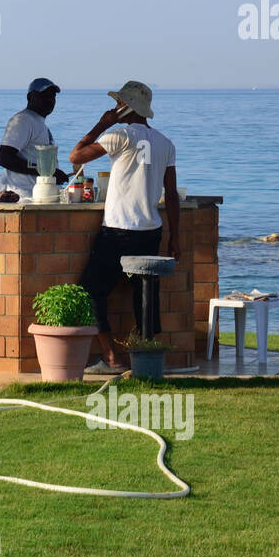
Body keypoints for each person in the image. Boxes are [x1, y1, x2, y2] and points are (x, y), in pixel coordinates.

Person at [68, 81, 180, 372]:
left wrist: (101, 124)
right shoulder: (165, 143)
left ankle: (112, 357)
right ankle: (148, 358)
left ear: (126, 107)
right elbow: (171, 195)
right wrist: (175, 237)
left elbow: (75, 157)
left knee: (90, 291)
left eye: (118, 103)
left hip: (118, 230)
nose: (114, 108)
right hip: (151, 231)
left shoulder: (118, 135)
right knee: (145, 296)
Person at [0, 78, 71, 196]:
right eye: (44, 95)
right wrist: (48, 173)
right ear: (30, 97)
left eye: (53, 96)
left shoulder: (38, 123)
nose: (50, 100)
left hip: (39, 195)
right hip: (24, 196)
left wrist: (52, 174)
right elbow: (4, 158)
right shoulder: (23, 121)